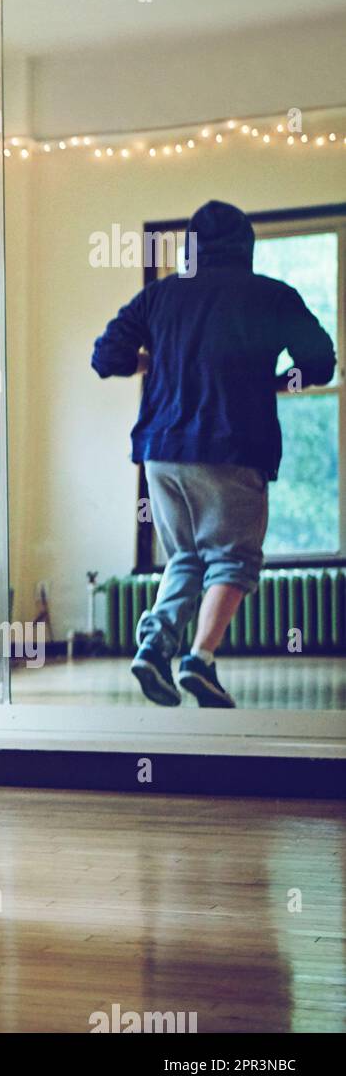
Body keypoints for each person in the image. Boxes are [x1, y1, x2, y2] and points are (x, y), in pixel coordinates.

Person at [92, 200, 336, 708]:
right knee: (233, 558)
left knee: (186, 557)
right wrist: (274, 382)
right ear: (246, 246)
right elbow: (319, 364)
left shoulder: (158, 296)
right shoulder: (271, 295)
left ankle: (155, 644)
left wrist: (157, 366)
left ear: (190, 246)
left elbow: (106, 357)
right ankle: (199, 661)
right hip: (233, 443)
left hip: (162, 449)